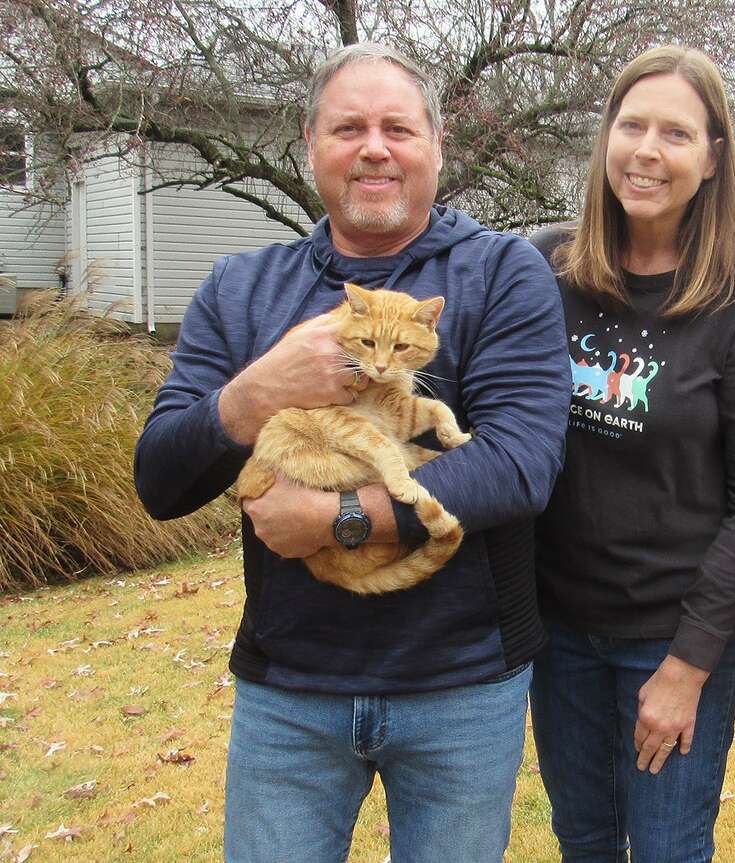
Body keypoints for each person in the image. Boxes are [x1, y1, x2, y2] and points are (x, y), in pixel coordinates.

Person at [133, 43, 570, 863]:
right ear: (311, 143)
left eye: (398, 127)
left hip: (465, 682)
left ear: (436, 147)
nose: (374, 146)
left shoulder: (503, 271)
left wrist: (337, 518)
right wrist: (257, 390)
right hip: (290, 689)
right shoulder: (240, 287)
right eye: (349, 127)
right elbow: (159, 477)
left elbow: (520, 462)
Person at [528, 46, 735, 863]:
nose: (647, 150)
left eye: (676, 133)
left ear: (713, 159)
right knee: (584, 841)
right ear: (606, 137)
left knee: (670, 848)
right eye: (631, 125)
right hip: (558, 629)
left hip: (674, 632)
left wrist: (685, 667)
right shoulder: (549, 268)